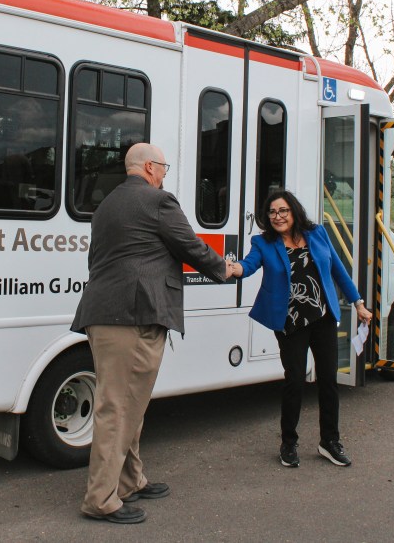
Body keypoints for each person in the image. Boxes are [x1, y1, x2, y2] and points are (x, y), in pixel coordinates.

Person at [71, 142, 230, 524]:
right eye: (163, 167)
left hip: (106, 313)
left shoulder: (106, 205)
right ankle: (101, 499)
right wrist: (226, 269)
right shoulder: (158, 201)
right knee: (119, 407)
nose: (164, 175)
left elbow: (97, 260)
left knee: (131, 404)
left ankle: (129, 481)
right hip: (133, 316)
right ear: (148, 167)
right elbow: (190, 246)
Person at [228, 190, 371, 468]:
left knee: (328, 380)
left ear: (294, 212)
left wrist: (359, 303)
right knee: (294, 381)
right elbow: (248, 266)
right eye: (272, 212)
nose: (277, 217)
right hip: (290, 322)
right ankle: (288, 443)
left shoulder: (317, 234)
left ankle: (329, 442)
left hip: (323, 317)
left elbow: (338, 271)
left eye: (283, 211)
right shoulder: (263, 243)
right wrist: (234, 269)